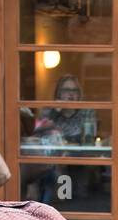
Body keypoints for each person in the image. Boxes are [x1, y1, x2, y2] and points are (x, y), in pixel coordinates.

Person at [31, 75, 97, 205]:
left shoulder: (86, 111)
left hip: (80, 158)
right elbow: (38, 133)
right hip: (55, 161)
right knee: (56, 173)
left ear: (79, 94)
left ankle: (78, 205)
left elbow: (90, 137)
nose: (71, 94)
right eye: (66, 90)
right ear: (59, 93)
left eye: (74, 91)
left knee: (80, 186)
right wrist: (55, 112)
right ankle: (58, 205)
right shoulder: (49, 111)